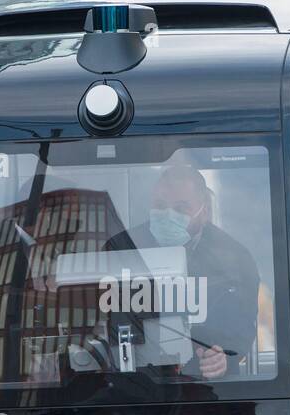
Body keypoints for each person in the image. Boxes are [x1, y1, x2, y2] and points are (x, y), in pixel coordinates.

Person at [109, 161, 260, 380]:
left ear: (204, 211)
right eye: (160, 206)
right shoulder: (123, 248)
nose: (168, 215)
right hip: (134, 381)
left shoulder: (233, 259)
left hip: (206, 388)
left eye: (180, 208)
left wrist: (225, 355)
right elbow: (102, 315)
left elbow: (241, 324)